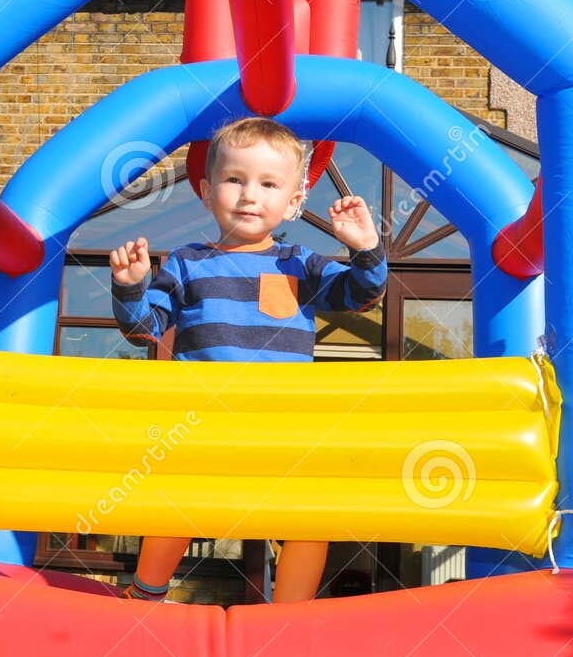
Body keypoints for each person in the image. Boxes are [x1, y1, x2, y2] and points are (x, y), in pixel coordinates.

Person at [109, 116, 386, 603]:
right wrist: (131, 288)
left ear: (294, 201)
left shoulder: (299, 262)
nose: (248, 195)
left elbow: (361, 295)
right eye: (234, 179)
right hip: (202, 423)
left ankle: (289, 615)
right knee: (177, 506)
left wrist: (365, 249)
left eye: (268, 184)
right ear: (205, 189)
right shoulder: (187, 262)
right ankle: (146, 594)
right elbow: (143, 330)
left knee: (306, 521)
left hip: (283, 426)